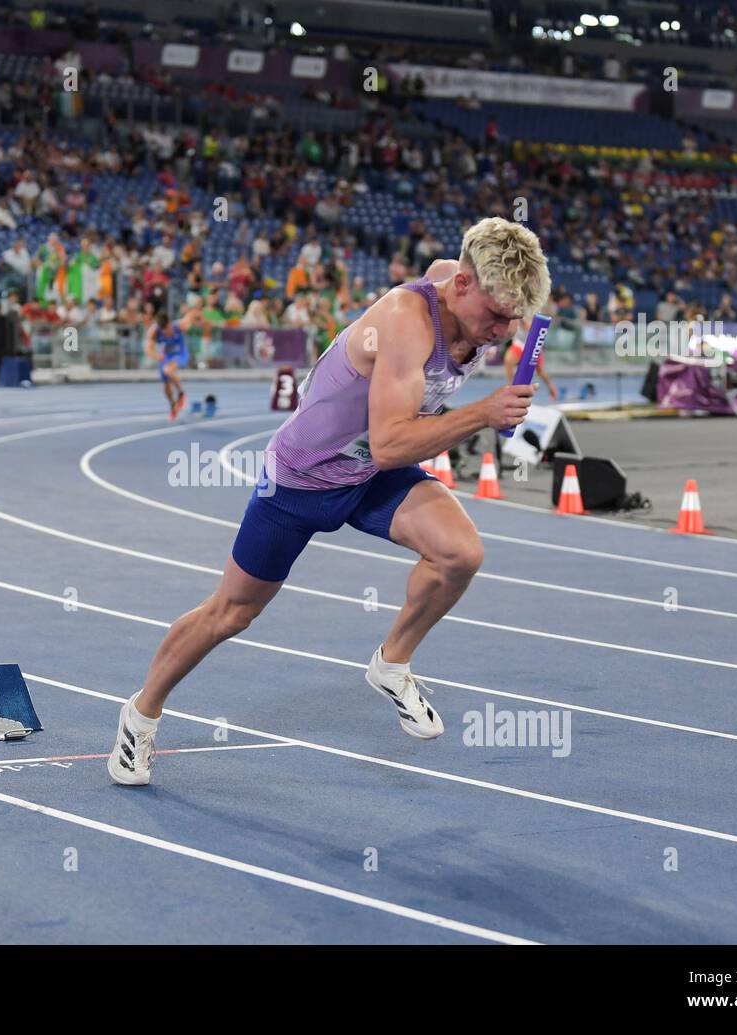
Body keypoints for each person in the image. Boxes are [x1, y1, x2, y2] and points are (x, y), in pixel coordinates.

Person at [107, 217, 549, 785]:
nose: (503, 330)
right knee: (230, 613)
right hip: (303, 479)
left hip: (367, 476)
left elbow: (384, 447)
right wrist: (483, 413)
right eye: (496, 315)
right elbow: (391, 443)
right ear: (463, 285)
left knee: (459, 554)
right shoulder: (406, 321)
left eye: (514, 318)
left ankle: (392, 663)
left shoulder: (459, 282)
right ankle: (140, 715)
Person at [146, 308, 200, 420]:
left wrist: (195, 314)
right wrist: (157, 356)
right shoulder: (154, 332)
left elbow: (191, 315)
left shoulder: (180, 325)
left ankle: (181, 393)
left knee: (168, 370)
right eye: (164, 331)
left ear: (170, 323)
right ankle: (173, 405)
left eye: (168, 329)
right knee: (166, 386)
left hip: (180, 354)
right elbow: (149, 349)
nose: (166, 333)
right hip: (165, 356)